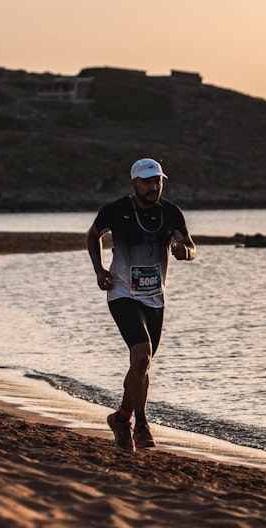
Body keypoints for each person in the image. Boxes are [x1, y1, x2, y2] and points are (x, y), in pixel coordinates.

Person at [87, 158, 197, 451]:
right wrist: (100, 270)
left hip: (154, 297)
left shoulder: (171, 213)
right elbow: (93, 235)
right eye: (147, 181)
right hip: (122, 293)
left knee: (141, 363)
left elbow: (191, 246)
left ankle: (121, 419)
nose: (153, 187)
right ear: (133, 182)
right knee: (142, 354)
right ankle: (142, 424)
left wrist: (184, 251)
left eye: (158, 181)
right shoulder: (116, 210)